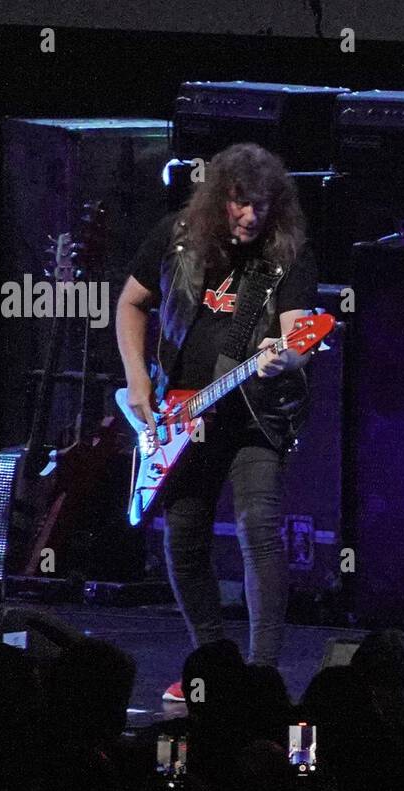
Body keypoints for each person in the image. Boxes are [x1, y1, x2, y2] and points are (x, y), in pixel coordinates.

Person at [117, 143, 319, 701]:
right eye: (239, 203)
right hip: (180, 415)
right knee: (183, 538)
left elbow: (299, 334)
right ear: (219, 198)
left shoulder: (287, 252)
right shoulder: (178, 235)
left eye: (261, 204)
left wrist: (289, 354)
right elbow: (131, 303)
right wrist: (137, 380)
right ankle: (210, 663)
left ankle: (260, 674)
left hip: (255, 416)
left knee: (259, 531)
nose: (251, 216)